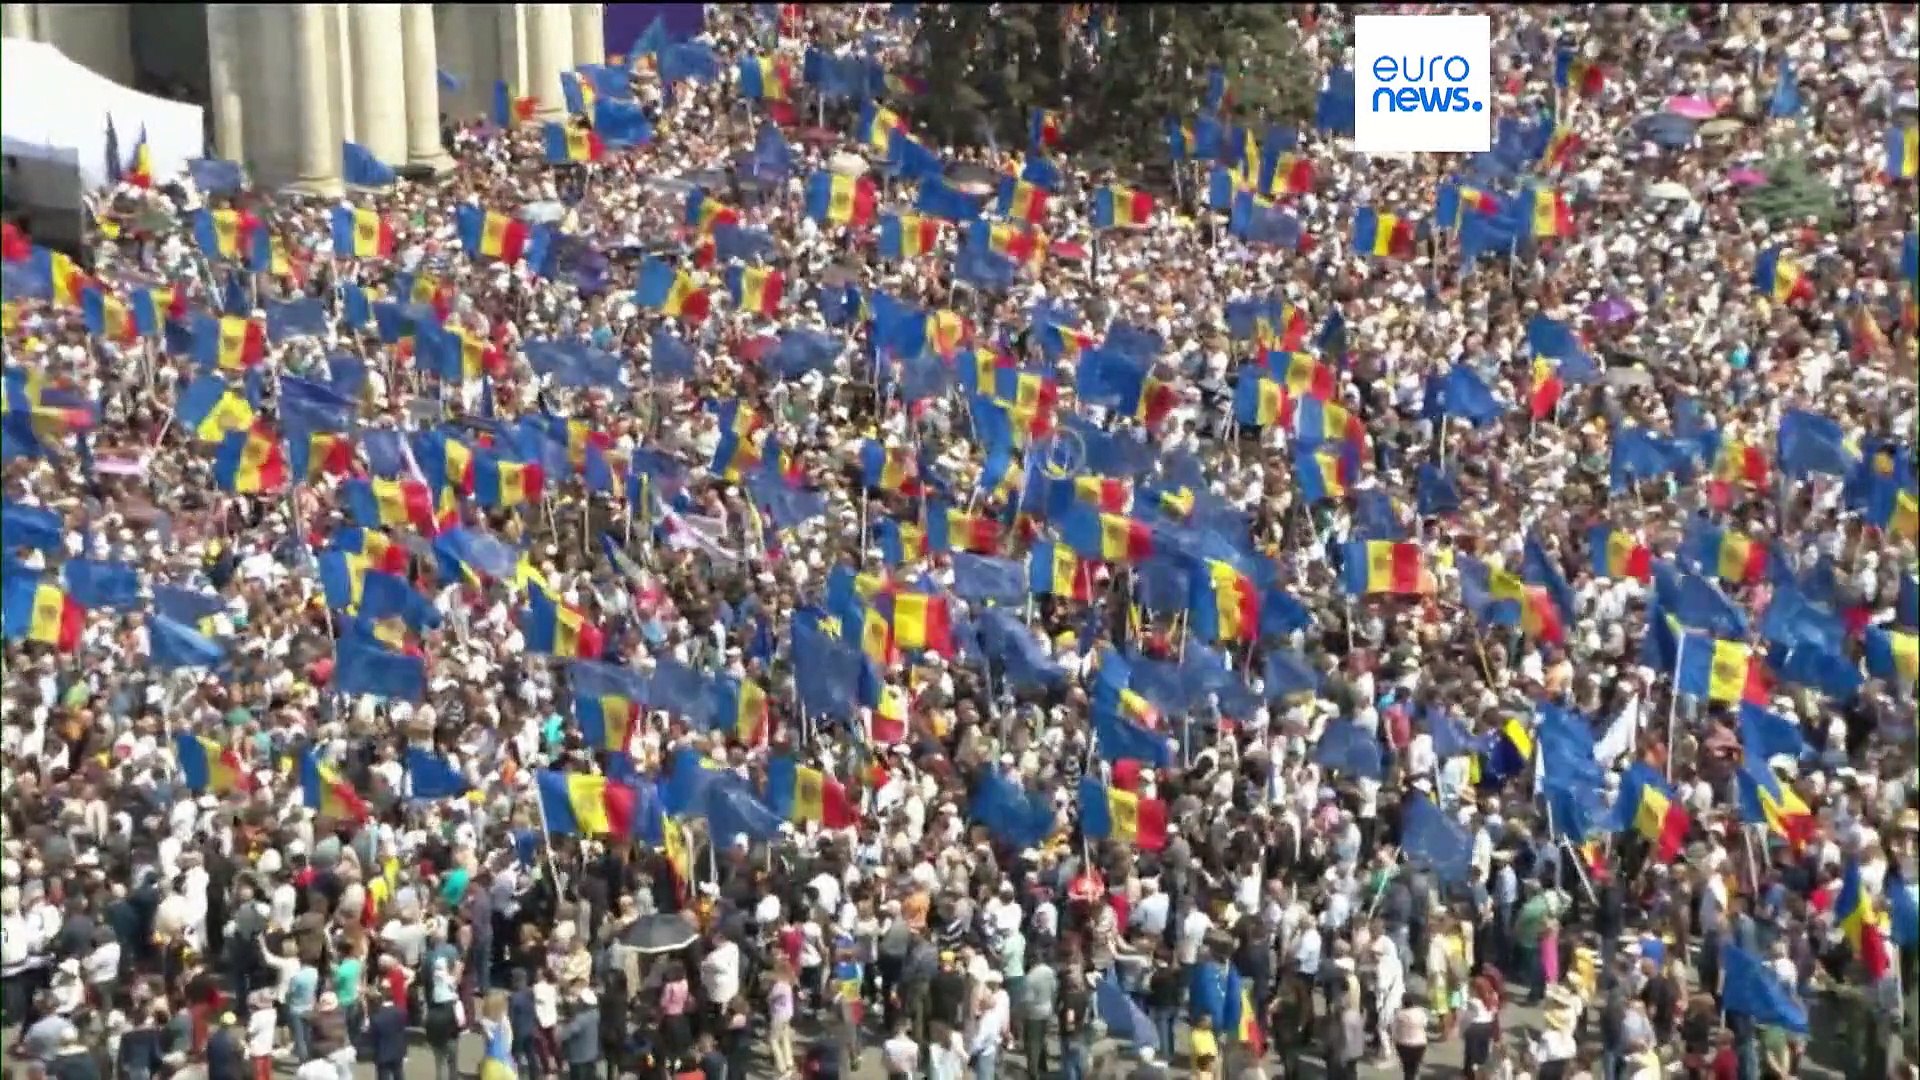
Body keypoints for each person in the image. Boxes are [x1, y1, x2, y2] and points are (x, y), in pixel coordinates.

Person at [1391, 990, 1430, 1080]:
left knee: (1407, 1068)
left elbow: (1394, 1029)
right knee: (1414, 1067)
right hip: (1419, 1044)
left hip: (1403, 1044)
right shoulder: (1420, 1013)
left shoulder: (1399, 1014)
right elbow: (1425, 1024)